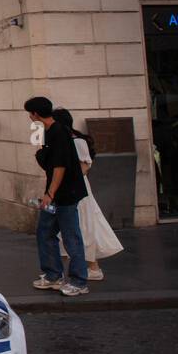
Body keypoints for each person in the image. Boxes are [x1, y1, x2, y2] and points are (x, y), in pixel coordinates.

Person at [25, 96, 89, 296]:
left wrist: (50, 194)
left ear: (35, 114)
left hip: (65, 194)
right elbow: (49, 164)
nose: (28, 116)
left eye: (29, 113)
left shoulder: (58, 132)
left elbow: (59, 167)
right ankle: (53, 275)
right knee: (44, 231)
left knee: (71, 236)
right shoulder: (48, 132)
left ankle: (79, 281)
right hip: (54, 195)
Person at [54, 108, 123, 281]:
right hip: (67, 189)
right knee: (66, 228)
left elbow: (85, 167)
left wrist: (65, 179)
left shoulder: (77, 142)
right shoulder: (63, 141)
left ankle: (92, 267)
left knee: (82, 226)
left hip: (76, 190)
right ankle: (60, 270)